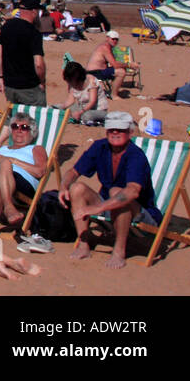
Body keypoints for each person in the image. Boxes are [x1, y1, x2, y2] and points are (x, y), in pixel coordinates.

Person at [61, 112, 162, 269]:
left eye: (120, 130)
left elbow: (133, 192)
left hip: (140, 213)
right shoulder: (100, 147)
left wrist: (97, 207)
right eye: (111, 129)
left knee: (117, 192)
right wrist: (63, 187)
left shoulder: (136, 155)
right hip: (108, 206)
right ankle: (84, 244)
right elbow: (73, 172)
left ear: (130, 133)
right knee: (77, 188)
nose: (115, 132)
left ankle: (119, 251)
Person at [0, 115, 48, 241]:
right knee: (1, 168)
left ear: (32, 132)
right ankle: (9, 206)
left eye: (24, 127)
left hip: (21, 182)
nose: (19, 130)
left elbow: (40, 171)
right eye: (15, 127)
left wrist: (12, 160)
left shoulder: (36, 149)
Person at [0, 0, 46, 106]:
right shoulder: (33, 32)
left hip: (9, 84)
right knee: (35, 119)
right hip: (29, 85)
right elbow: (38, 64)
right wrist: (42, 82)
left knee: (15, 118)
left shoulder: (6, 26)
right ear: (34, 12)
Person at [60, 60, 109, 126]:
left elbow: (92, 101)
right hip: (83, 109)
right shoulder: (72, 83)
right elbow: (70, 101)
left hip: (97, 110)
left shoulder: (91, 81)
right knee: (64, 108)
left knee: (86, 116)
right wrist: (60, 108)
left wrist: (80, 112)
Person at [85, 31, 127, 99]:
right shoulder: (105, 47)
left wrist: (125, 65)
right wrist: (129, 65)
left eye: (116, 39)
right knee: (121, 72)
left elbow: (113, 63)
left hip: (97, 71)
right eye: (113, 39)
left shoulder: (107, 47)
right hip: (94, 72)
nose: (115, 41)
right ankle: (114, 95)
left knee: (119, 70)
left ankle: (112, 91)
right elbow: (115, 65)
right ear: (107, 38)